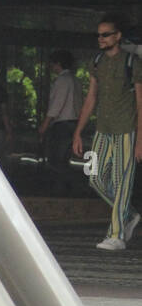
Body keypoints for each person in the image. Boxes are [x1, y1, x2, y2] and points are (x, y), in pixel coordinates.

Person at [72, 13, 142, 250]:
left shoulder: (132, 62)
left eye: (105, 34)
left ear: (118, 36)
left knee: (122, 182)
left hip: (126, 129)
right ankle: (129, 215)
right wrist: (78, 131)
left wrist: (140, 138)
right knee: (95, 178)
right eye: (99, 34)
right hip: (103, 129)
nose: (100, 38)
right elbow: (91, 98)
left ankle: (117, 235)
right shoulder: (97, 61)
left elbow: (141, 102)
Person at [38, 50, 83, 197]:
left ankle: (59, 192)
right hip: (74, 123)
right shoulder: (75, 80)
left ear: (58, 63)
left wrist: (44, 125)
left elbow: (56, 106)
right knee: (64, 159)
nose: (50, 66)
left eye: (52, 63)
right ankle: (66, 190)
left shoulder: (62, 81)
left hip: (63, 124)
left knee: (57, 160)